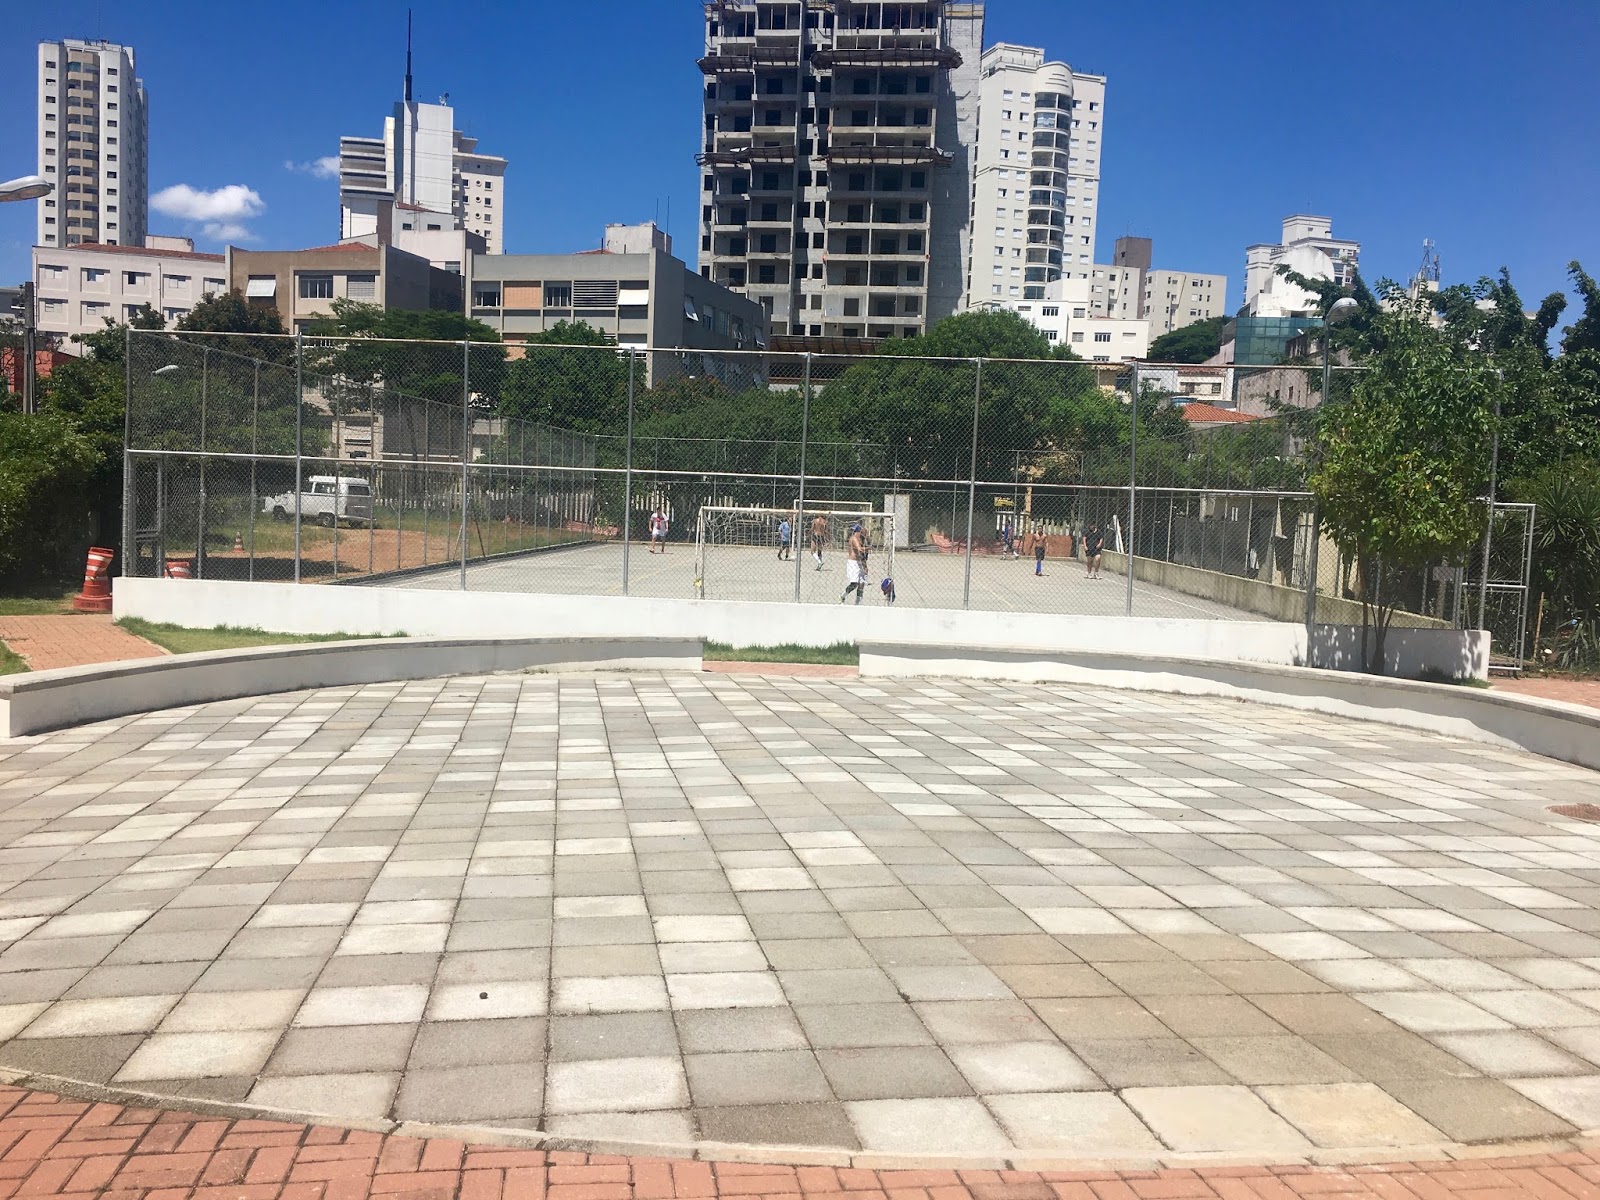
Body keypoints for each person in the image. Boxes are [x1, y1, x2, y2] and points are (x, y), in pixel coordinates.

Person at [840, 522, 868, 604]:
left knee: (862, 583)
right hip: (853, 563)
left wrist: (865, 566)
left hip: (859, 562)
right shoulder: (854, 538)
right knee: (854, 584)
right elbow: (860, 549)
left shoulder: (860, 539)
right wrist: (869, 548)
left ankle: (857, 602)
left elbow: (861, 555)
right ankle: (842, 596)